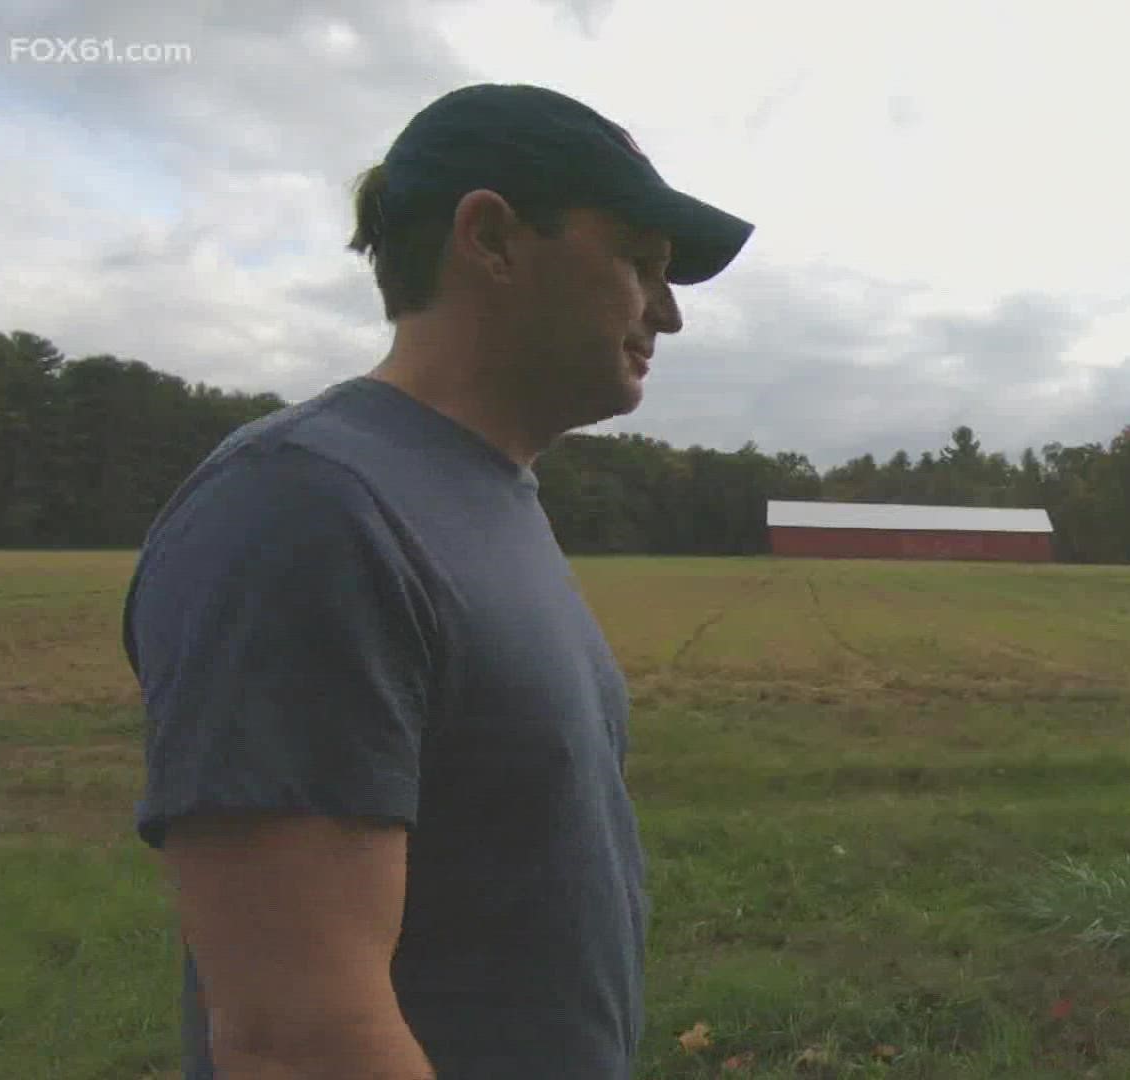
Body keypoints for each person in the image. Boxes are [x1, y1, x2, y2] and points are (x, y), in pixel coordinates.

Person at [121, 82, 753, 1079]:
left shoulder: (480, 493)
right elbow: (296, 1040)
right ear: (491, 239)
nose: (667, 314)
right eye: (639, 262)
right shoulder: (305, 509)